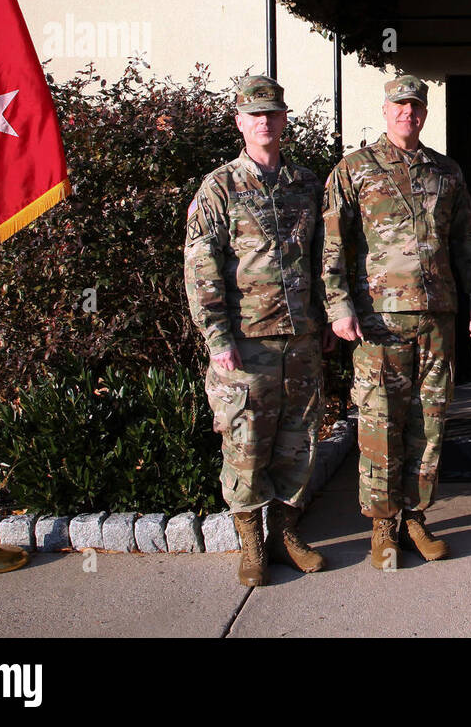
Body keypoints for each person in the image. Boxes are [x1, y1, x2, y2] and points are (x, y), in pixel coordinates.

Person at [322, 74, 471, 569]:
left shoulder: (446, 171)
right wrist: (338, 306)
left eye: (416, 107)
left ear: (424, 112)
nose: (407, 114)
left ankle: (416, 514)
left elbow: (467, 241)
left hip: (438, 317)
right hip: (379, 320)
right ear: (385, 109)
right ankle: (382, 525)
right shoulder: (355, 170)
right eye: (399, 106)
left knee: (430, 422)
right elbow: (335, 244)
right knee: (380, 423)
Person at [184, 75, 330, 587]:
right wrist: (217, 337)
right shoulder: (219, 188)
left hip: (302, 340)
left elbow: (323, 260)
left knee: (298, 442)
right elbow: (202, 268)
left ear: (284, 120)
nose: (265, 122)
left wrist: (328, 318)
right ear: (240, 123)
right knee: (245, 445)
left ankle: (285, 535)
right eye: (255, 115)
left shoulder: (307, 185)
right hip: (246, 345)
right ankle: (250, 544)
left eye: (273, 113)